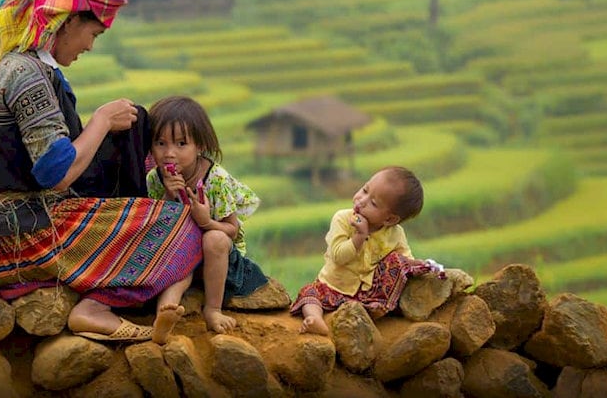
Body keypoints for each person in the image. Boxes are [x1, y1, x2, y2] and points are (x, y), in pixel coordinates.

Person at [0, 0, 202, 344]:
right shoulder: (27, 75)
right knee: (183, 226)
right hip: (25, 234)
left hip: (19, 223)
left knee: (134, 129)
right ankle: (98, 308)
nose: (90, 46)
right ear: (69, 21)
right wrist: (101, 121)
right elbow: (57, 173)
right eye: (93, 34)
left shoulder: (26, 67)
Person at [145, 95, 269, 334]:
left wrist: (206, 222)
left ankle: (213, 309)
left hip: (218, 256)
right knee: (181, 261)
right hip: (182, 255)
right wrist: (169, 197)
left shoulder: (216, 179)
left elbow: (231, 230)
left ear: (200, 146)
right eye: (160, 143)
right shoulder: (155, 179)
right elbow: (157, 227)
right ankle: (164, 316)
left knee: (214, 238)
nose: (169, 153)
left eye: (181, 144)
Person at [290, 166, 437, 336]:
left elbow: (404, 258)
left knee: (398, 262)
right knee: (310, 293)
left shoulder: (395, 233)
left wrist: (418, 265)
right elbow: (338, 256)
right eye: (365, 190)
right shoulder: (343, 219)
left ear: (390, 219)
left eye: (373, 203)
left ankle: (376, 309)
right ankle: (315, 319)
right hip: (332, 288)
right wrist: (359, 236)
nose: (361, 200)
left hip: (368, 294)